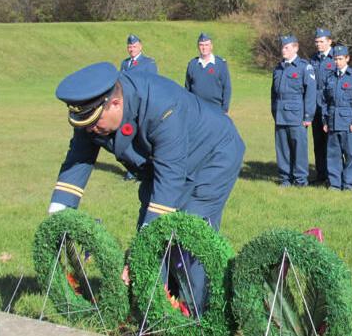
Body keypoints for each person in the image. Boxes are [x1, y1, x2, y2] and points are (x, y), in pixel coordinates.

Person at [48, 62, 245, 311]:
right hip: (160, 166)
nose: (90, 130)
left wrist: (145, 245)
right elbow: (78, 160)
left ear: (116, 104)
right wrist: (57, 215)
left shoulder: (161, 106)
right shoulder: (94, 114)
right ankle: (154, 309)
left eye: (94, 124)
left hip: (212, 156)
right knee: (150, 233)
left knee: (187, 235)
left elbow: (170, 178)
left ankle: (200, 313)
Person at [272, 34, 317, 186]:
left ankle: (300, 179)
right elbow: (274, 94)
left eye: (286, 47)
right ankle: (285, 178)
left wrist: (308, 116)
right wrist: (274, 112)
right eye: (282, 47)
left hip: (297, 116)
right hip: (280, 115)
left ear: (295, 48)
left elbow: (310, 93)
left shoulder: (304, 67)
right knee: (282, 149)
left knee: (299, 149)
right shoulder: (278, 68)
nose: (283, 50)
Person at [322, 45, 352, 190]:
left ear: (347, 59)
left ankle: (348, 184)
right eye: (335, 59)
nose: (337, 62)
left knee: (351, 155)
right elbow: (325, 101)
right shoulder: (330, 77)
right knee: (333, 155)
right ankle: (335, 184)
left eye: (340, 59)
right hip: (333, 122)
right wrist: (325, 120)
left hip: (349, 123)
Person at [118, 34, 158, 181]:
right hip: (127, 106)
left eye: (134, 46)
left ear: (140, 46)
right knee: (128, 136)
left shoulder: (148, 63)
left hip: (142, 105)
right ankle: (132, 168)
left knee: (142, 137)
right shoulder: (125, 64)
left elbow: (153, 85)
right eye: (129, 47)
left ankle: (146, 168)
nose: (131, 49)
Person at [310, 28, 335, 184]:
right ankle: (321, 175)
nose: (318, 44)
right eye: (317, 42)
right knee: (318, 143)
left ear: (329, 42)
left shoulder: (336, 58)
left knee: (333, 144)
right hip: (315, 107)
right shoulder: (313, 59)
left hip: (331, 107)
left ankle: (334, 177)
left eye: (322, 41)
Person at [185, 33, 231, 113]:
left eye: (206, 45)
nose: (204, 48)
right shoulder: (192, 64)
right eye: (201, 45)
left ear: (211, 46)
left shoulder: (220, 64)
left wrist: (225, 109)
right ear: (198, 47)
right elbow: (187, 88)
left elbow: (227, 88)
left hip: (215, 108)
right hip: (196, 109)